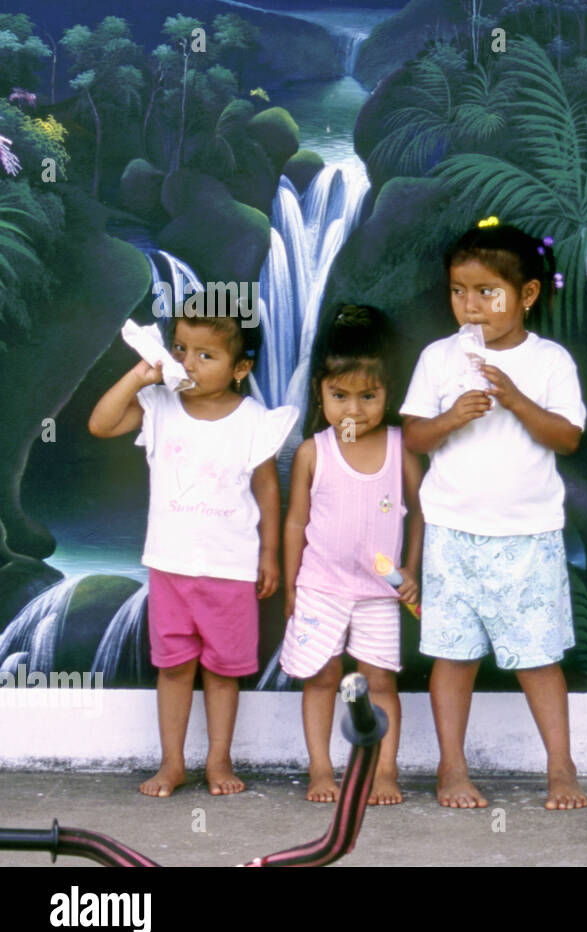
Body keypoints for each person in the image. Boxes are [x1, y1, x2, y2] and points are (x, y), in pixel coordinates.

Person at [401, 216, 587, 810]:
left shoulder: (550, 360)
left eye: (487, 291)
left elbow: (566, 437)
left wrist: (513, 397)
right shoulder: (438, 358)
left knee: (538, 658)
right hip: (453, 533)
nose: (470, 306)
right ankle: (451, 769)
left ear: (527, 294)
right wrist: (452, 416)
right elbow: (413, 437)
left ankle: (561, 768)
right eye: (459, 291)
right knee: (453, 656)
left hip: (527, 536)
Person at [88, 311, 297, 797]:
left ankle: (219, 762)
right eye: (181, 349)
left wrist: (269, 554)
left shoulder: (253, 423)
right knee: (175, 667)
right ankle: (172, 763)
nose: (189, 363)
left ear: (239, 369)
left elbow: (267, 489)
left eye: (207, 355)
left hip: (230, 568)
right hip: (171, 567)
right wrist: (144, 372)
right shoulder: (159, 404)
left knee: (224, 672)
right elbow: (100, 425)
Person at [280, 305, 423, 806]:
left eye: (368, 397)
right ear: (320, 391)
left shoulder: (402, 447)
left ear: (388, 394)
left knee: (379, 680)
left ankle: (385, 771)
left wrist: (412, 573)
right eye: (339, 396)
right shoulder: (312, 452)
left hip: (379, 592)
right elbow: (295, 521)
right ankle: (321, 769)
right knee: (321, 678)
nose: (354, 410)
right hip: (321, 585)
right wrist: (291, 585)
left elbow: (421, 514)